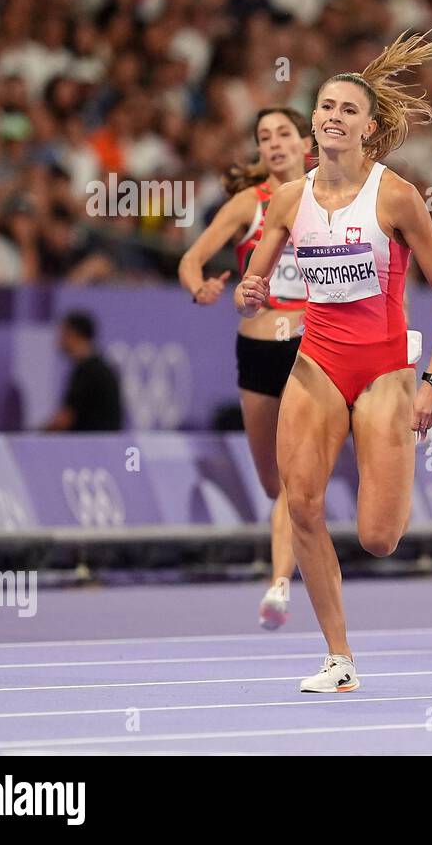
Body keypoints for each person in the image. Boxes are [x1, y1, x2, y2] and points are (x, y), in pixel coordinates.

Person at [235, 32, 432, 693]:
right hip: (316, 362)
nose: (333, 115)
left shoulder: (394, 197)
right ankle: (339, 659)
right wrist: (252, 289)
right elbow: (256, 279)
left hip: (388, 369)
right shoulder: (288, 199)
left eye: (347, 109)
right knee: (301, 503)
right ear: (314, 119)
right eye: (325, 105)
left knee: (378, 538)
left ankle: (402, 447)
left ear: (369, 128)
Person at [178, 106, 311, 630]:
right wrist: (200, 288)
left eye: (283, 134)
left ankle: (279, 583)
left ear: (306, 143)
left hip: (310, 348)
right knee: (274, 483)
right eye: (263, 138)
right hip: (257, 352)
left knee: (297, 475)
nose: (274, 144)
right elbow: (191, 259)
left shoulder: (328, 199)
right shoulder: (247, 204)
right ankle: (284, 560)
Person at [43, 311, 124, 432]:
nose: (58, 340)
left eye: (62, 333)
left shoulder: (87, 372)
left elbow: (65, 419)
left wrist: (36, 435)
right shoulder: (103, 368)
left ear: (73, 334)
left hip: (91, 446)